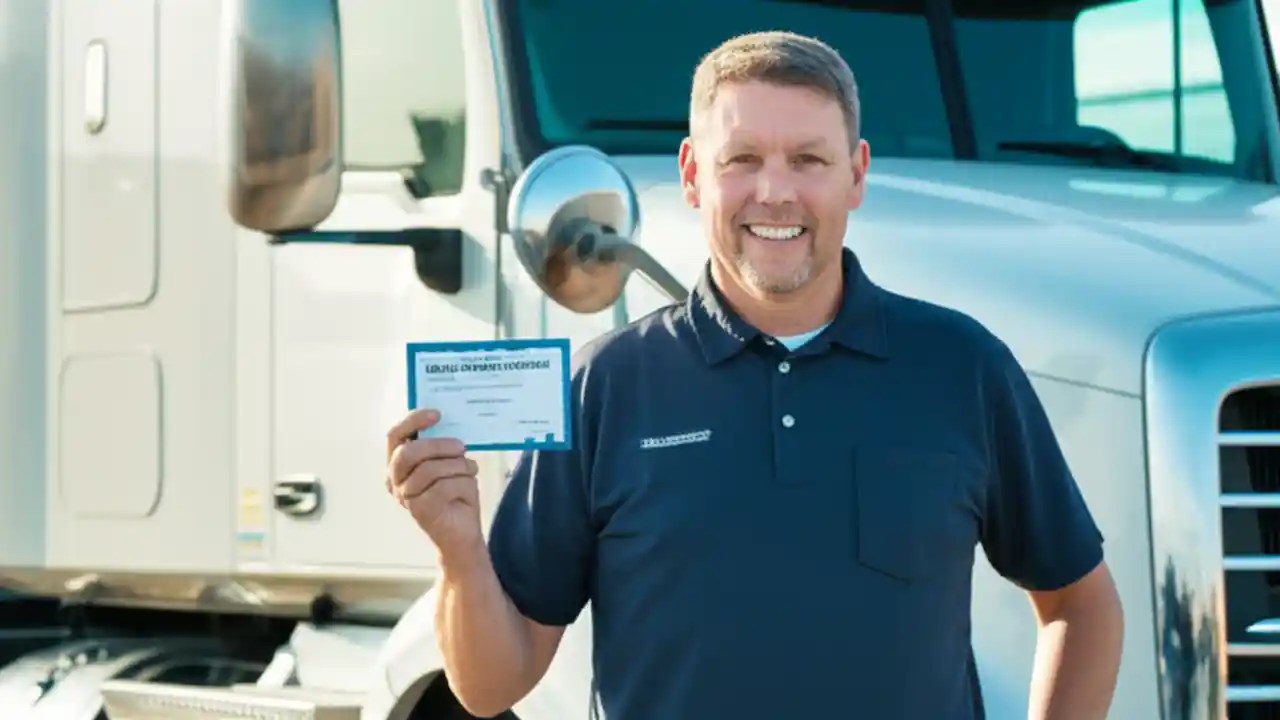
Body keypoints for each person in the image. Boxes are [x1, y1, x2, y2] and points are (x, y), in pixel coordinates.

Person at [385, 30, 1124, 720]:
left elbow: (1080, 605)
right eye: (742, 160)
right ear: (693, 175)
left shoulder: (962, 368)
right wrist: (459, 549)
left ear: (856, 175)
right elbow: (488, 689)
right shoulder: (605, 387)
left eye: (808, 160)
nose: (775, 193)